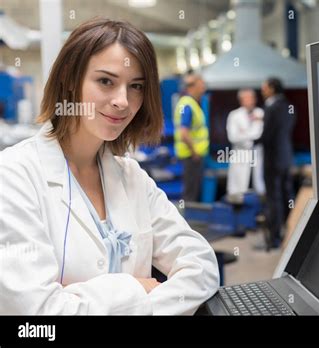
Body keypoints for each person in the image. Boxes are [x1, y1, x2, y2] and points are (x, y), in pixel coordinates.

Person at [0, 18, 219, 315]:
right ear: (69, 78)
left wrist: (89, 300)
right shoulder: (13, 176)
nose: (123, 101)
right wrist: (134, 287)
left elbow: (202, 266)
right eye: (106, 81)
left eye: (136, 86)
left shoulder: (132, 177)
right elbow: (38, 315)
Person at [258, 77, 295, 250]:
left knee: (274, 198)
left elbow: (267, 136)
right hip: (286, 157)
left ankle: (274, 238)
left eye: (264, 87)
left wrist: (254, 139)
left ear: (272, 89)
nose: (262, 90)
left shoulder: (270, 107)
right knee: (288, 196)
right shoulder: (289, 107)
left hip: (272, 160)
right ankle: (291, 234)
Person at [173, 73, 209, 202]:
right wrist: (195, 152)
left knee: (192, 190)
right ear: (193, 86)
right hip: (191, 155)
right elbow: (184, 133)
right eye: (202, 85)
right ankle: (189, 220)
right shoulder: (187, 105)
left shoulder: (190, 103)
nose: (204, 88)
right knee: (190, 192)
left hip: (192, 155)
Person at [226, 89, 264, 195]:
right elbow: (233, 137)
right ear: (241, 101)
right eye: (246, 98)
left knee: (259, 186)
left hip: (257, 155)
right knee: (239, 190)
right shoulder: (234, 115)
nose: (249, 101)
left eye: (251, 98)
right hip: (241, 155)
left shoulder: (260, 113)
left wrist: (244, 133)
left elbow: (260, 134)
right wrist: (251, 136)